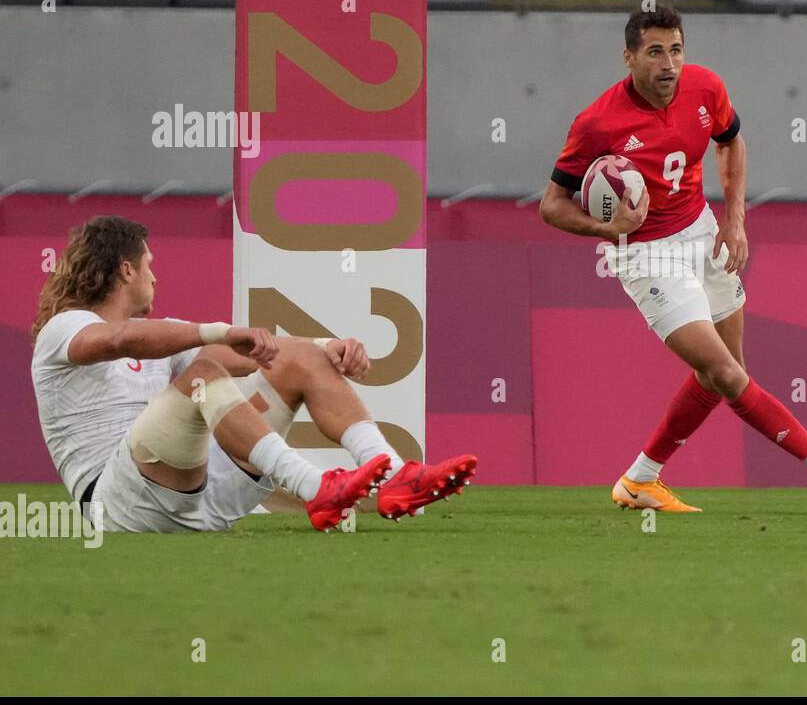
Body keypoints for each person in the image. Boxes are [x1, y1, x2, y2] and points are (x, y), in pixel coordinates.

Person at [538, 5, 807, 514]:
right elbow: (551, 206)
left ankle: (640, 479)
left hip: (703, 233)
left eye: (675, 50)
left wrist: (735, 218)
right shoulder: (598, 124)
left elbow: (731, 141)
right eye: (654, 52)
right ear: (628, 58)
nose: (668, 64)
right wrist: (607, 228)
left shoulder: (705, 88)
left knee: (725, 373)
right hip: (647, 256)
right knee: (727, 374)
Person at [30, 215, 476, 533]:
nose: (155, 278)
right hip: (118, 504)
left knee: (295, 361)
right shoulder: (65, 327)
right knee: (203, 373)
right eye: (149, 266)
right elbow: (114, 341)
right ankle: (314, 487)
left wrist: (326, 347)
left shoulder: (155, 336)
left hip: (196, 497)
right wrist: (219, 330)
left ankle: (396, 477)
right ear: (126, 269)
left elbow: (255, 356)